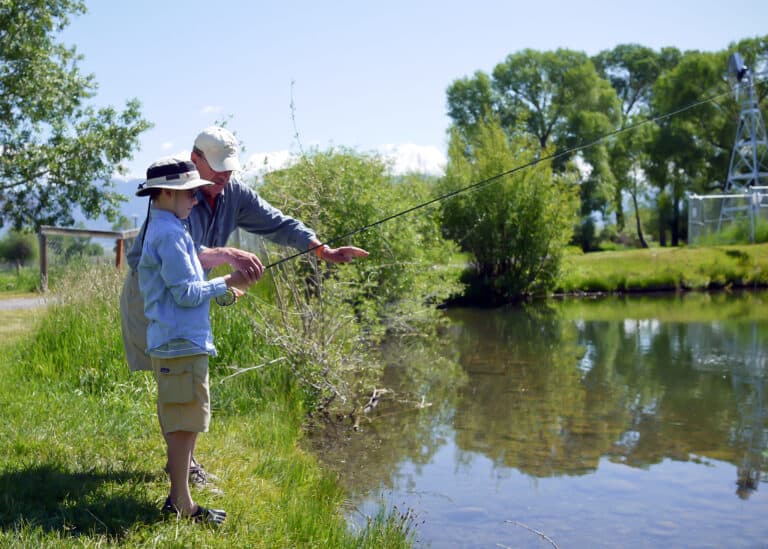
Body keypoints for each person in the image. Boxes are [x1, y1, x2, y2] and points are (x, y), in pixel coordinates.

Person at [119, 126, 368, 486]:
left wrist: (322, 250)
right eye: (216, 171)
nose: (223, 178)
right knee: (174, 381)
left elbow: (279, 223)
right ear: (195, 160)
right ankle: (184, 475)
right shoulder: (171, 196)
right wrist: (226, 258)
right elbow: (171, 254)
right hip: (152, 294)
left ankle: (183, 470)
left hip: (192, 293)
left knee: (186, 381)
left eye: (229, 171)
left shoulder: (234, 193)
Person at [136, 157, 251, 525]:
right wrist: (228, 282)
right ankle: (181, 503)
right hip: (179, 343)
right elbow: (186, 293)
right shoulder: (168, 233)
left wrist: (220, 292)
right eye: (188, 192)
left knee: (186, 418)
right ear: (167, 193)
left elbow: (184, 287)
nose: (196, 199)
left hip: (181, 341)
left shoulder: (171, 226)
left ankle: (179, 498)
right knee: (183, 422)